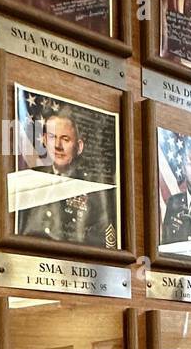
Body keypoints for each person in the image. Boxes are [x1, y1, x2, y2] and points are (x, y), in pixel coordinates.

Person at [17, 107, 116, 249]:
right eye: (52, 137)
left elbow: (104, 244)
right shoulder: (30, 181)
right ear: (44, 140)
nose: (58, 146)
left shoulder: (95, 192)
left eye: (65, 139)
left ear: (79, 146)